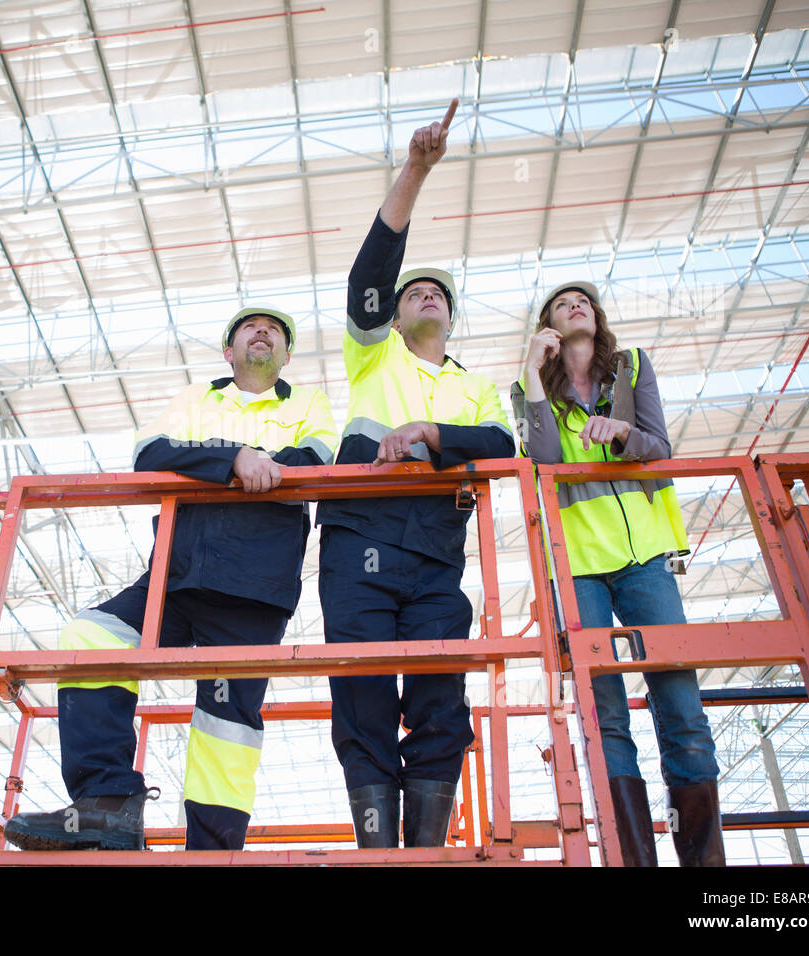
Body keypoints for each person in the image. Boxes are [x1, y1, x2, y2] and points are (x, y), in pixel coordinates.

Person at [4, 305, 337, 852]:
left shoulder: (309, 403)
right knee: (92, 636)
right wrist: (238, 458)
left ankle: (212, 852)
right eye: (250, 328)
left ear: (286, 355)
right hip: (176, 573)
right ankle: (107, 805)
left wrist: (223, 462)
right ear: (229, 352)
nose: (263, 333)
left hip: (254, 581)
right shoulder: (196, 398)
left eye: (275, 331)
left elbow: (314, 458)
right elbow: (150, 453)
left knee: (225, 719)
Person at [317, 100, 516, 849]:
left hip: (436, 555)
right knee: (362, 694)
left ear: (451, 321)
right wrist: (416, 170)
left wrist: (433, 433)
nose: (425, 293)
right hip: (358, 543)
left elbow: (502, 445)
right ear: (392, 320)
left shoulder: (476, 388)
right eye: (412, 294)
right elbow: (371, 271)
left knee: (441, 696)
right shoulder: (373, 355)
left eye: (439, 293)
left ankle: (425, 855)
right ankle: (379, 857)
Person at [511, 280, 724, 867]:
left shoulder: (630, 368)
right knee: (604, 718)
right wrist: (532, 371)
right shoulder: (530, 391)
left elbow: (660, 444)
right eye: (560, 303)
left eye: (582, 300)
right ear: (549, 328)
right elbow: (544, 461)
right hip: (578, 567)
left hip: (645, 559)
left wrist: (624, 434)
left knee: (680, 706)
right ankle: (634, 860)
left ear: (596, 317)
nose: (574, 304)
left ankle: (705, 868)